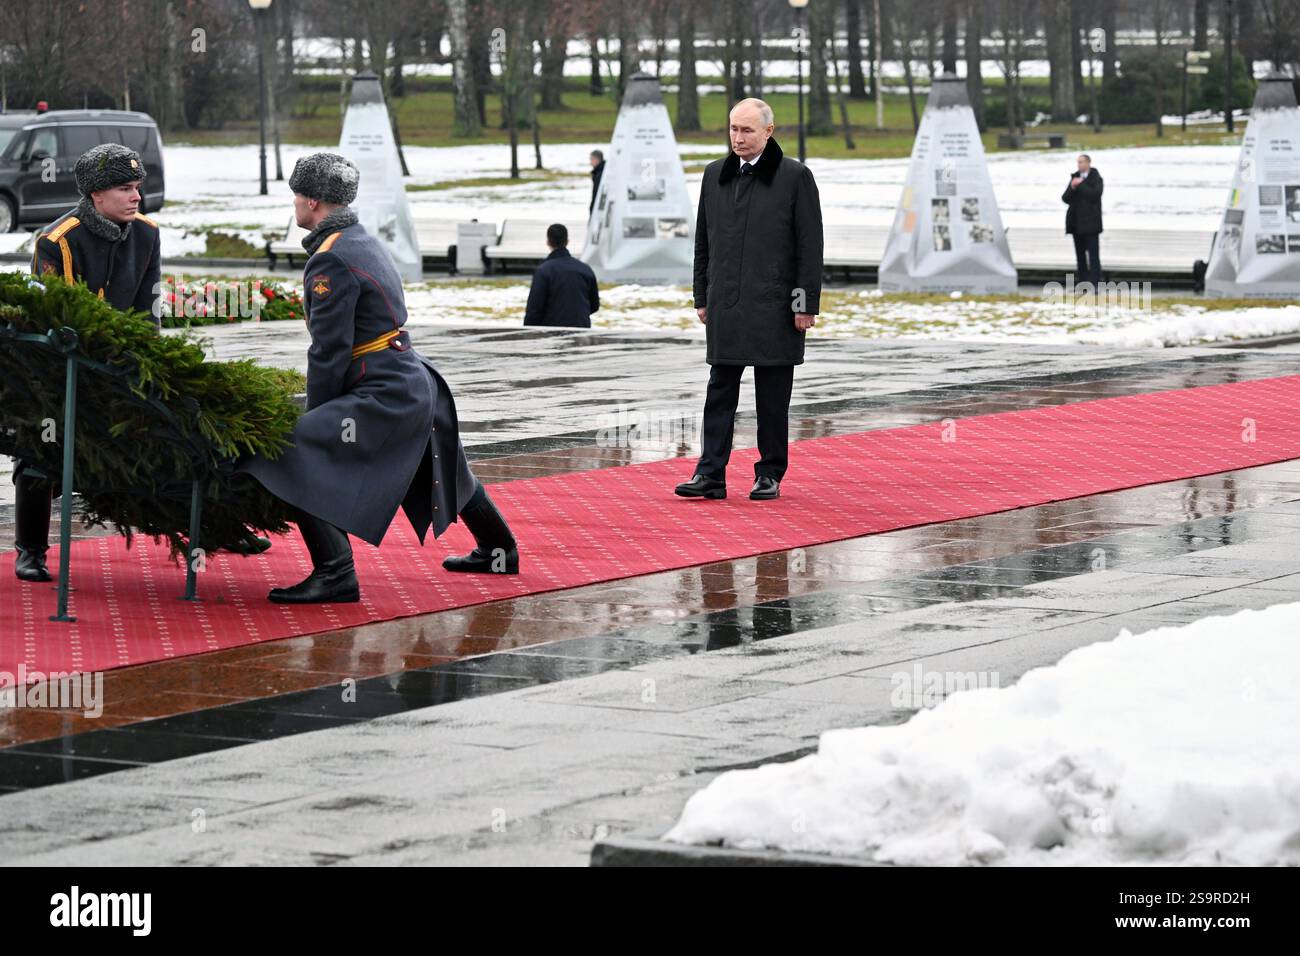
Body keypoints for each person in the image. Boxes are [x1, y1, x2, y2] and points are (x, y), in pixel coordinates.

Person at [241, 153, 520, 604]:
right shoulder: (359, 238)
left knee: (291, 450)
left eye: (296, 194)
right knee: (442, 466)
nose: (293, 202)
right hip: (411, 378)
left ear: (312, 200)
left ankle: (335, 573)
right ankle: (499, 549)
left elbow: (329, 350)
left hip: (385, 388)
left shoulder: (329, 258)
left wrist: (322, 412)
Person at [14, 143, 162, 582]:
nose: (135, 197)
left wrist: (144, 366)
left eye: (137, 187)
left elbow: (146, 311)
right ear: (96, 195)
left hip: (121, 365)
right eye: (124, 188)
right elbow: (53, 321)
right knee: (40, 445)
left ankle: (207, 526)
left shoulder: (147, 234)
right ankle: (31, 550)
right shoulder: (57, 241)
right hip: (60, 370)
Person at [675, 98, 823, 503]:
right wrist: (702, 296)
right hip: (726, 303)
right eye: (733, 130)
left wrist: (804, 304)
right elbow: (703, 242)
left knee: (772, 397)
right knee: (719, 390)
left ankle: (769, 473)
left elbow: (809, 247)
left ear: (769, 132)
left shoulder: (795, 177)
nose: (738, 138)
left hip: (777, 307)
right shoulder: (714, 176)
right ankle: (710, 475)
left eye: (747, 131)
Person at [522, 223, 599, 328]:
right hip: (581, 330)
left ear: (548, 242)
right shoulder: (585, 269)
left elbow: (534, 309)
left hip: (551, 333)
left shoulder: (544, 271)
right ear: (567, 242)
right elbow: (594, 305)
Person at [1063, 153, 1104, 285]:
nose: (1079, 165)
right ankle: (1082, 282)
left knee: (1093, 256)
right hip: (1076, 224)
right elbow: (1065, 198)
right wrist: (1073, 187)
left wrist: (1080, 185)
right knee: (1080, 257)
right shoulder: (1075, 178)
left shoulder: (1096, 178)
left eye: (1081, 162)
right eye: (1078, 162)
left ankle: (1095, 283)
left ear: (1088, 163)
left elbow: (1094, 195)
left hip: (1091, 224)